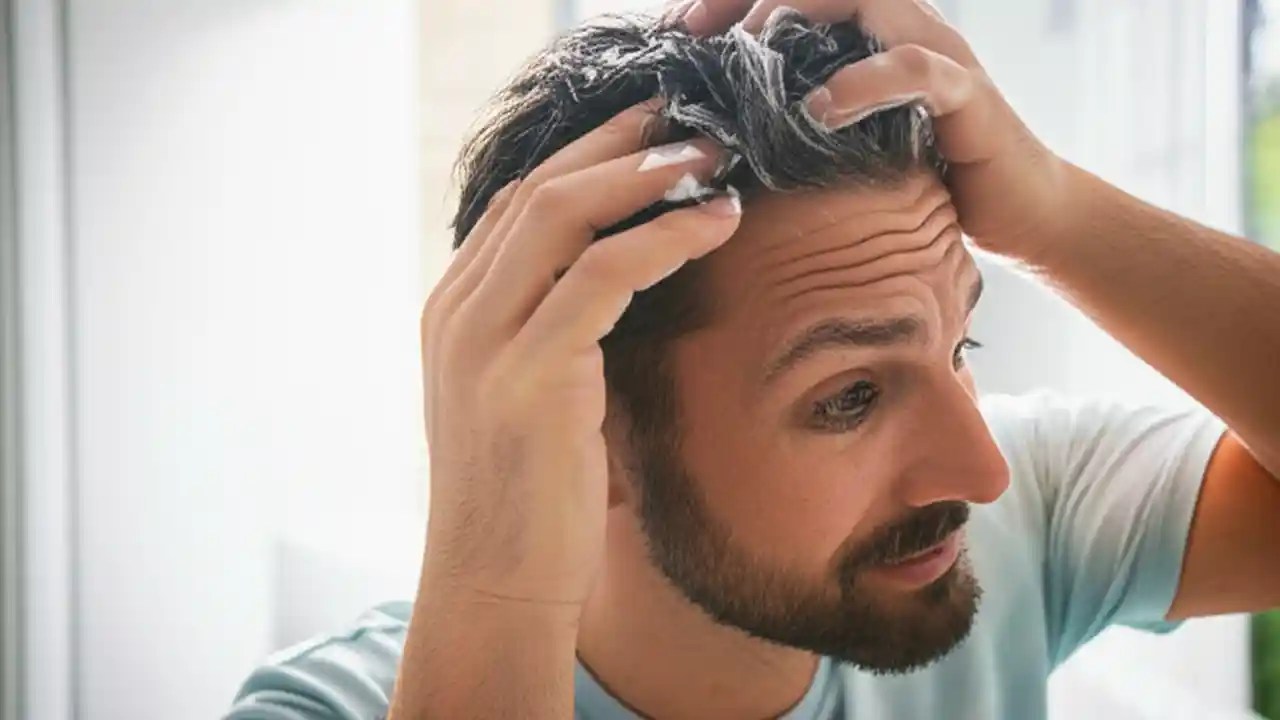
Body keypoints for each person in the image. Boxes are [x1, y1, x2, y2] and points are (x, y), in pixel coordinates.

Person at [226, 1, 1280, 718]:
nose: (979, 472)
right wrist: (491, 583)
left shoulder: (1021, 520)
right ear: (590, 431)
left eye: (959, 346)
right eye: (850, 397)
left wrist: (1052, 210)